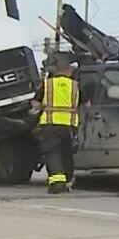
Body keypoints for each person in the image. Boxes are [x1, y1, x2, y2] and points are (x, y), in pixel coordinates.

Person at [31, 55, 80, 195]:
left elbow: (35, 104)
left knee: (52, 153)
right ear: (69, 71)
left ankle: (57, 183)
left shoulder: (47, 84)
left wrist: (39, 109)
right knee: (67, 154)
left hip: (50, 124)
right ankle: (68, 181)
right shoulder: (76, 86)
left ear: (56, 70)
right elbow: (87, 104)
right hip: (69, 126)